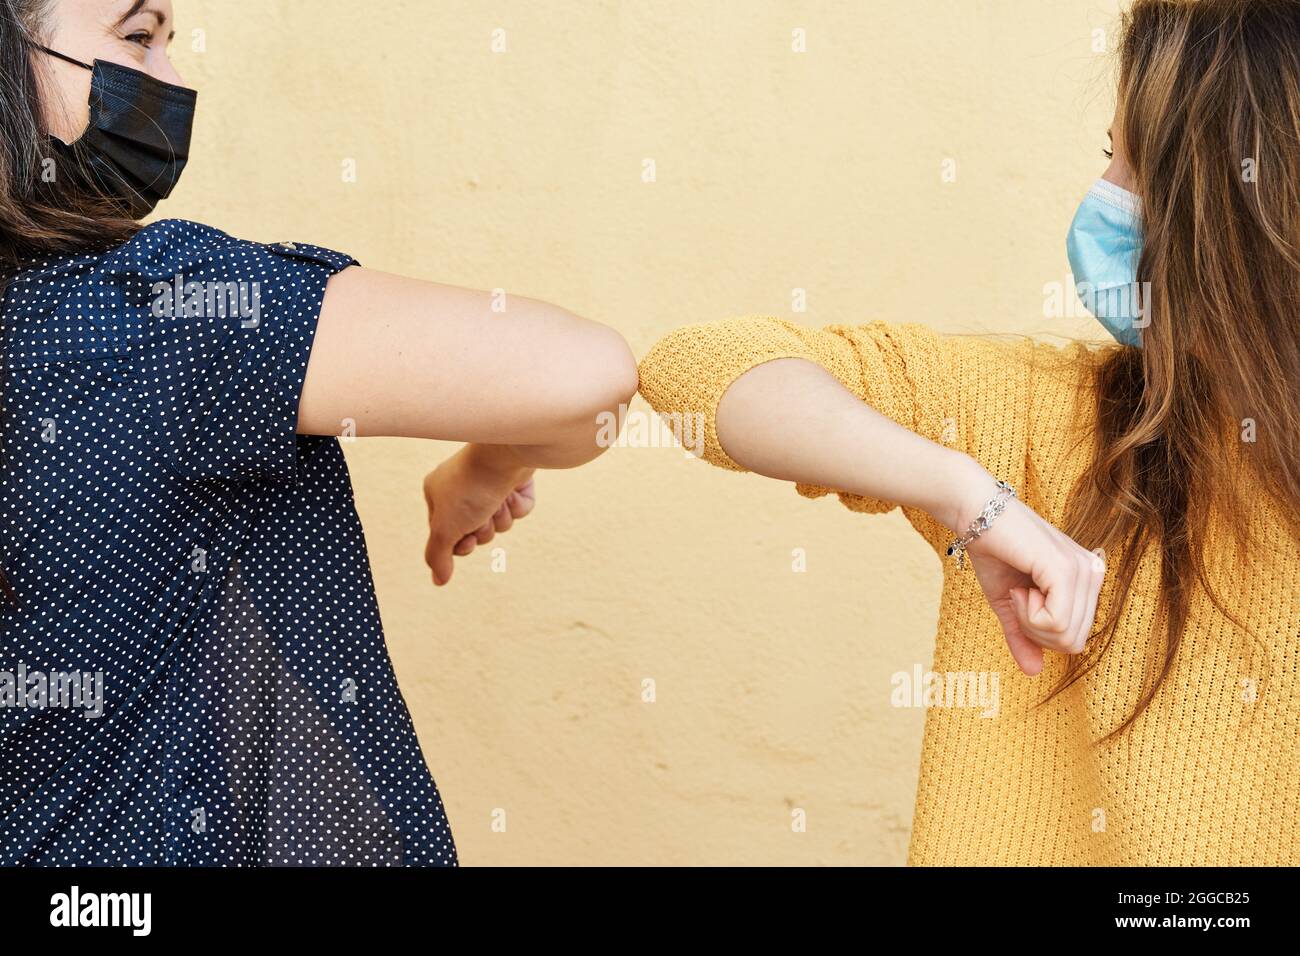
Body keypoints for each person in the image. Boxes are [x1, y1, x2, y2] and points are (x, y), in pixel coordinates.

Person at [638, 0, 1300, 865]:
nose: (1100, 202)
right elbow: (698, 369)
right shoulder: (1041, 415)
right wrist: (971, 499)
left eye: (1129, 169)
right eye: (1108, 158)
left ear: (1234, 217)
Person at [0, 0, 637, 865]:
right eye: (137, 37)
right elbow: (586, 381)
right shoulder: (159, 318)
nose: (176, 82)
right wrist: (490, 463)